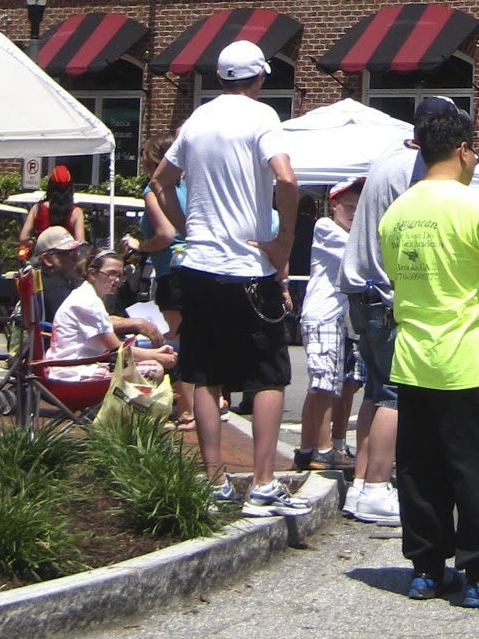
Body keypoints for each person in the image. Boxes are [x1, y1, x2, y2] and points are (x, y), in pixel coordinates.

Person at [379, 97, 479, 608]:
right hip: (468, 358)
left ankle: (427, 570)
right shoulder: (476, 204)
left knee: (421, 471)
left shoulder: (397, 211)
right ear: (463, 150)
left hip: (414, 357)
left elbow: (398, 275)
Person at [149, 38, 307, 520]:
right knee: (268, 376)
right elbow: (286, 179)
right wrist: (282, 242)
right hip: (247, 268)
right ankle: (262, 483)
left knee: (203, 372)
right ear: (258, 78)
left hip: (197, 265)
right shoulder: (261, 118)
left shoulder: (198, 119)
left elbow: (160, 180)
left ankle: (215, 480)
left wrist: (182, 225)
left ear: (220, 78)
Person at [338, 98, 438, 526]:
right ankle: (378, 487)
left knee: (376, 392)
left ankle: (361, 486)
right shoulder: (415, 168)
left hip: (360, 290)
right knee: (397, 394)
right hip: (384, 292)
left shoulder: (387, 157)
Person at [296, 178, 364, 473]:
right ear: (333, 205)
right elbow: (359, 258)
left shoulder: (347, 232)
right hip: (322, 315)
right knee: (324, 385)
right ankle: (323, 451)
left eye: (359, 208)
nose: (354, 213)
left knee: (324, 385)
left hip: (334, 318)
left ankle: (307, 447)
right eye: (349, 206)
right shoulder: (326, 228)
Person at [48, 246, 177, 387]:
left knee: (146, 364)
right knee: (155, 369)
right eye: (111, 274)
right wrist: (156, 355)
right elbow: (117, 350)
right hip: (74, 374)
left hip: (73, 368)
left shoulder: (86, 295)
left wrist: (155, 353)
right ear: (92, 274)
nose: (116, 280)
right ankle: (129, 410)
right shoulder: (87, 302)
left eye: (120, 275)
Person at [137, 134, 193, 428]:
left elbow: (165, 234)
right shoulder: (187, 185)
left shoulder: (154, 189)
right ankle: (208, 403)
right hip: (195, 268)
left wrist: (139, 246)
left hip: (171, 270)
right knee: (194, 338)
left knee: (173, 342)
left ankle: (184, 410)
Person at [19, 165, 85, 249]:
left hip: (43, 257)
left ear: (50, 186)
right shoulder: (76, 212)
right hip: (65, 258)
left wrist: (38, 244)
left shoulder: (37, 209)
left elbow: (23, 238)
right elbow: (80, 242)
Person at [31, 225, 83, 320]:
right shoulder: (55, 289)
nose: (76, 258)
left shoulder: (41, 279)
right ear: (47, 260)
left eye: (76, 252)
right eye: (69, 254)